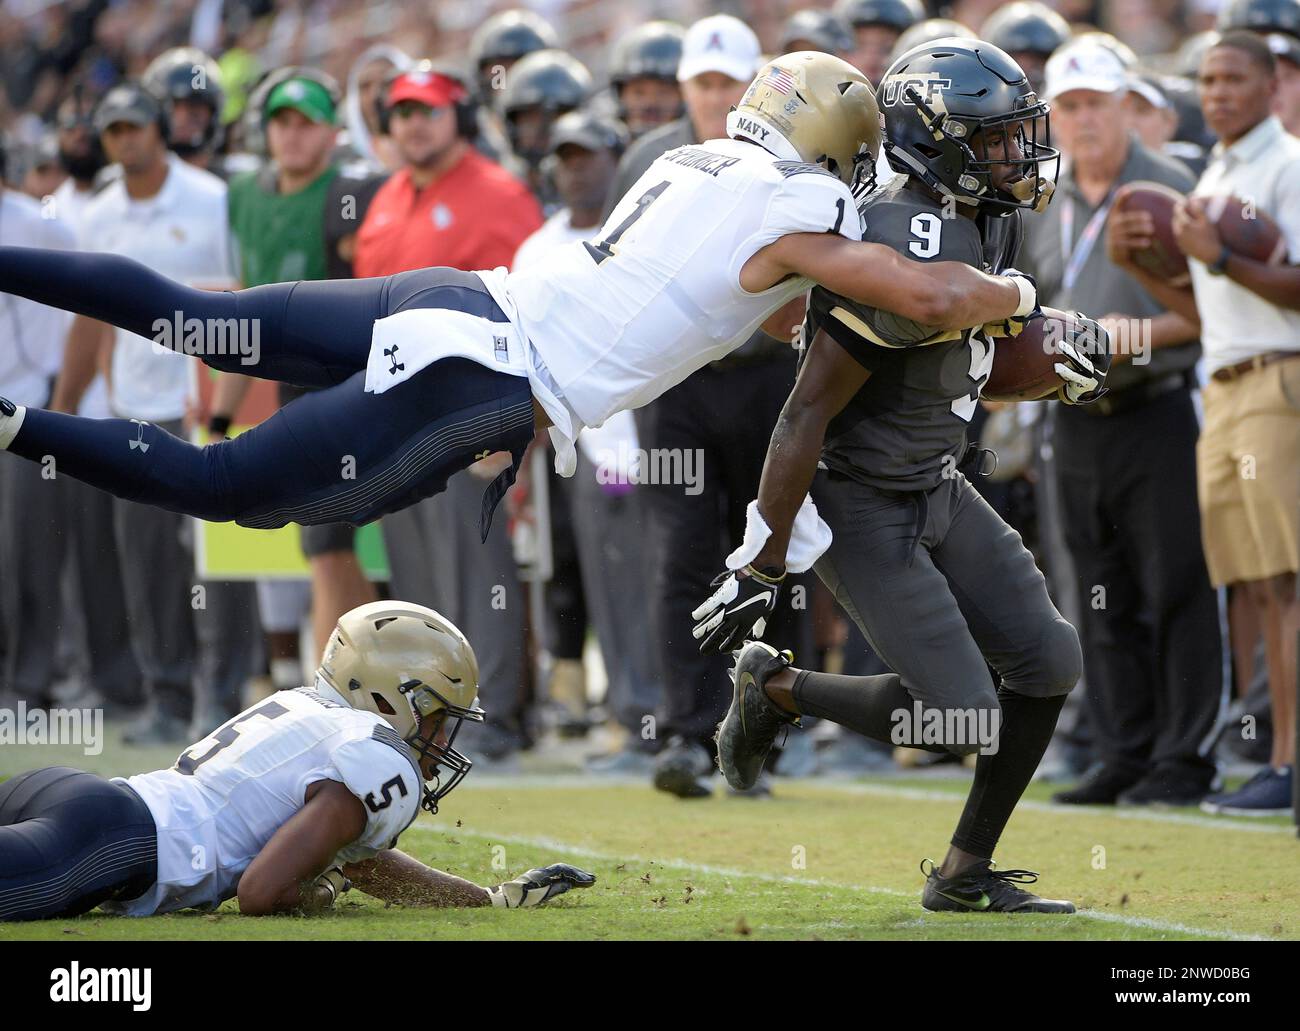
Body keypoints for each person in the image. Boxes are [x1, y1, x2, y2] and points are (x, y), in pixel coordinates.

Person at [0, 52, 1041, 604]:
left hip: (452, 297)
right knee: (219, 484)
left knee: (193, 318)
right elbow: (935, 295)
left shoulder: (694, 164)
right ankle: (12, 423)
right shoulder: (794, 208)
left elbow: (752, 312)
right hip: (480, 373)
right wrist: (1016, 298)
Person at [693, 41, 1107, 913]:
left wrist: (1053, 363)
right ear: (936, 141)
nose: (1016, 157)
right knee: (961, 716)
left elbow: (963, 368)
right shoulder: (893, 235)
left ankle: (963, 874)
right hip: (857, 497)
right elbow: (805, 410)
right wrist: (762, 561)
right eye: (994, 141)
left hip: (937, 480)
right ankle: (774, 686)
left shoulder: (984, 213)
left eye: (1016, 136)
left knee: (1048, 658)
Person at [0, 601, 595, 921]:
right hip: (115, 843)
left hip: (71, 798)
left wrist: (482, 899)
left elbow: (363, 861)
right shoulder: (372, 755)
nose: (441, 743)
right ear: (392, 698)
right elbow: (264, 892)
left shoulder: (310, 710)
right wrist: (319, 892)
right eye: (438, 719)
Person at [1019, 41, 1222, 807]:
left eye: (1096, 104)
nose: (1083, 120)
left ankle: (1185, 757)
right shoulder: (1044, 194)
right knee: (1098, 594)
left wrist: (1119, 335)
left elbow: (1207, 316)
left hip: (1157, 406)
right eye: (1068, 107)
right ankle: (1122, 750)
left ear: (1124, 105)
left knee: (1175, 586)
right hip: (1073, 417)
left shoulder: (1169, 185)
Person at [1112, 31, 1300, 815]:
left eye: (1234, 79)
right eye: (1209, 79)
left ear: (1270, 86)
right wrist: (1138, 265)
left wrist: (1219, 257)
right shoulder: (1218, 170)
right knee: (1254, 585)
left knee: (1289, 581)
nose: (1217, 92)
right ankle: (1277, 758)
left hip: (1277, 376)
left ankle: (1291, 764)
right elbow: (1207, 312)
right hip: (1222, 385)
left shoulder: (1287, 164)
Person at [353, 60, 543, 763]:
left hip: (469, 419)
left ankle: (493, 718)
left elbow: (529, 308)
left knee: (480, 572)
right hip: (398, 419)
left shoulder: (498, 195)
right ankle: (430, 723)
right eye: (402, 112)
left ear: (459, 116)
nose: (413, 124)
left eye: (427, 111)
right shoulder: (384, 200)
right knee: (420, 580)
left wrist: (507, 422)